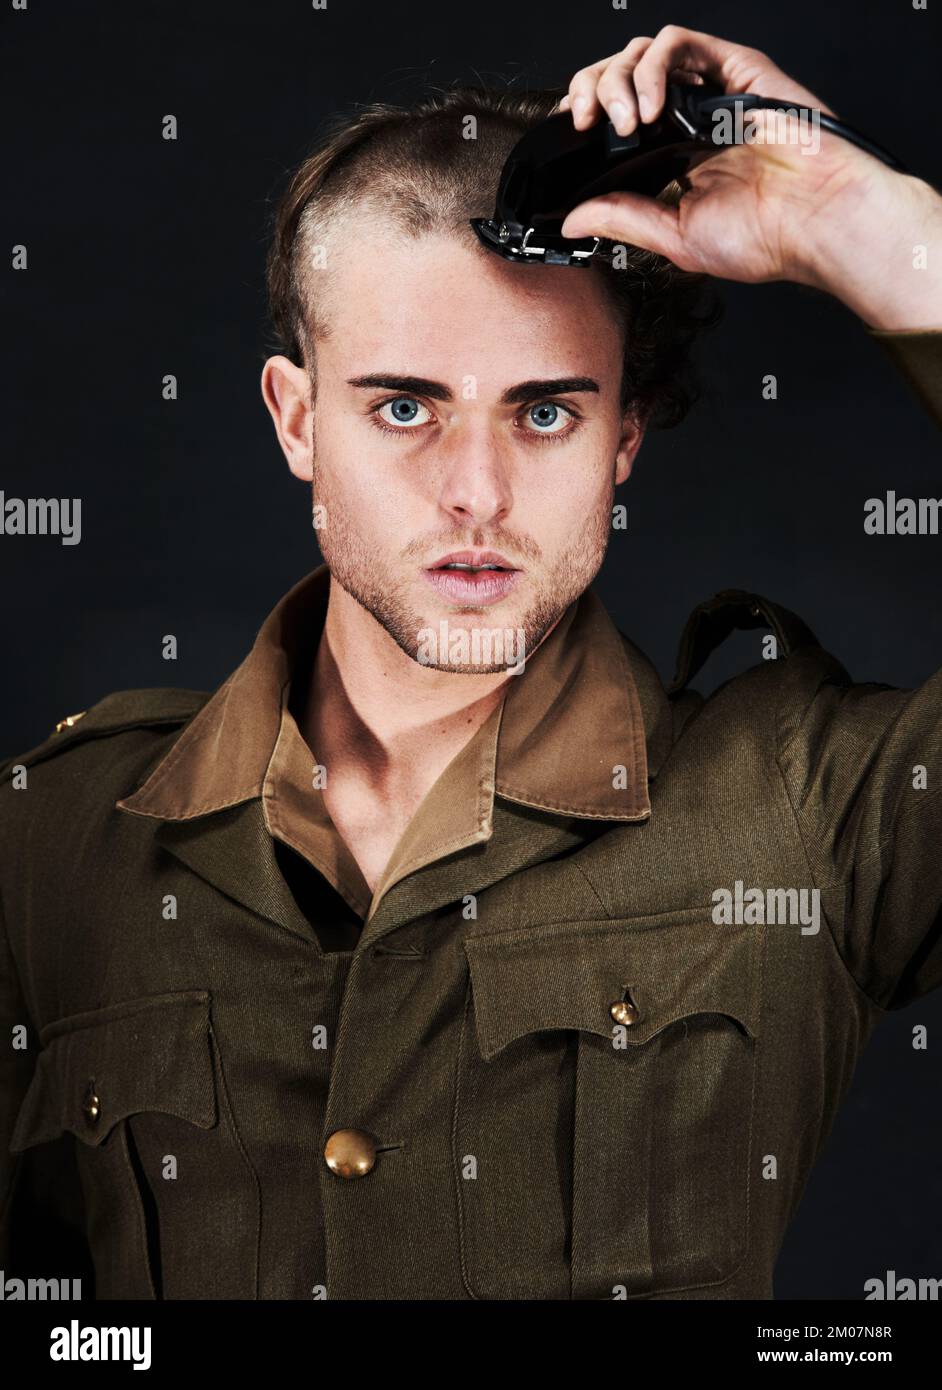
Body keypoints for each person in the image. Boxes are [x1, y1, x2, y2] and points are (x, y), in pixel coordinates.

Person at [1, 25, 940, 1300]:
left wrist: (865, 222)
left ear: (624, 439)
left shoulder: (813, 805)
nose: (478, 494)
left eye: (546, 411)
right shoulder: (55, 840)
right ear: (296, 419)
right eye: (405, 407)